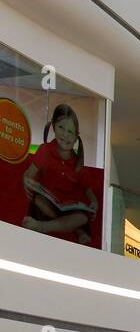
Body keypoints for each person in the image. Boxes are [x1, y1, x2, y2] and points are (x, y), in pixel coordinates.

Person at [21, 103, 97, 245]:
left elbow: (89, 191)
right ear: (54, 127)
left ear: (76, 138)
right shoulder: (45, 150)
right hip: (47, 204)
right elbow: (28, 175)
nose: (65, 135)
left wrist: (94, 203)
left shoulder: (77, 163)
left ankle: (42, 226)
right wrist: (28, 181)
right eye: (61, 128)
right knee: (38, 201)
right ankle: (75, 229)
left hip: (67, 209)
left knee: (82, 217)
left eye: (71, 132)